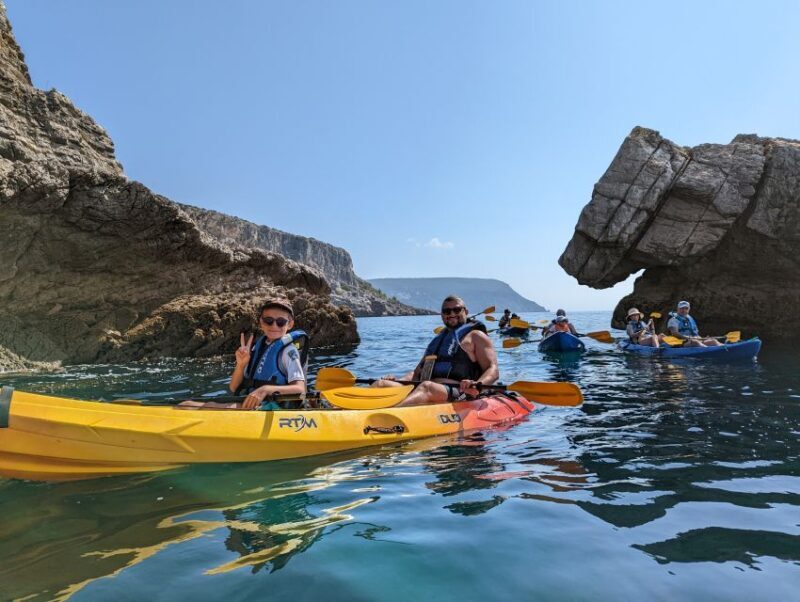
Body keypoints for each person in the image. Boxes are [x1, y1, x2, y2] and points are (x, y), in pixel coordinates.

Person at [180, 299, 308, 410]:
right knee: (187, 405)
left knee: (189, 405)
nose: (274, 325)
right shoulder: (257, 348)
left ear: (290, 324)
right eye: (268, 320)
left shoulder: (289, 351)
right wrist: (241, 365)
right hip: (253, 404)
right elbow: (234, 387)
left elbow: (300, 389)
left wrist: (265, 390)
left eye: (281, 322)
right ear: (261, 322)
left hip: (274, 408)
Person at [373, 295, 499, 405]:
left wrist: (477, 384)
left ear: (466, 311)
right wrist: (399, 380)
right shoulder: (437, 341)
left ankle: (386, 414)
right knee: (381, 384)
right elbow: (417, 372)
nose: (451, 314)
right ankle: (357, 411)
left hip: (460, 392)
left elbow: (493, 369)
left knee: (427, 387)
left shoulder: (476, 336)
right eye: (447, 311)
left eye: (456, 309)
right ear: (442, 315)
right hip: (426, 387)